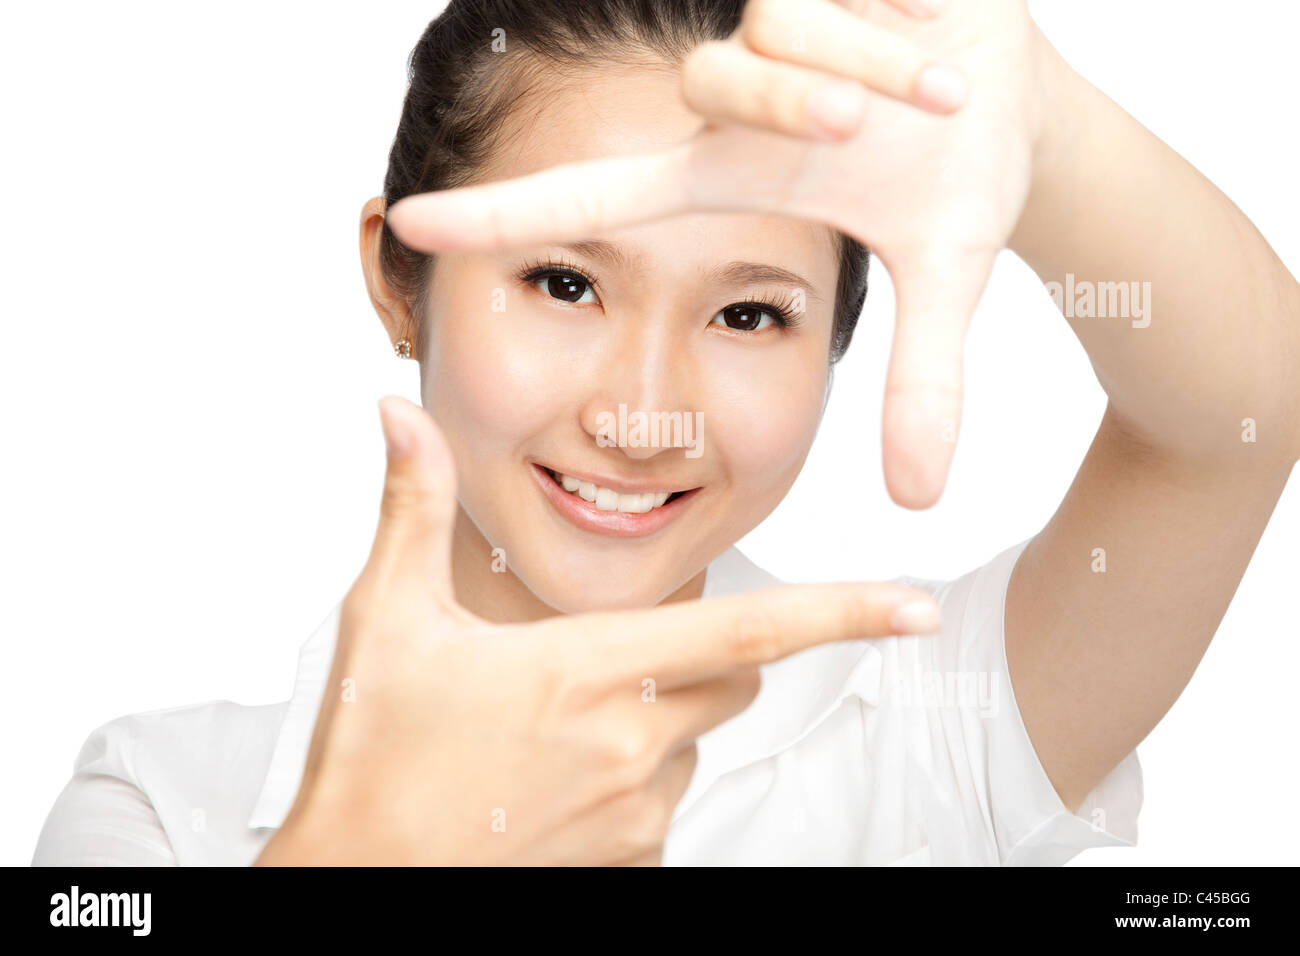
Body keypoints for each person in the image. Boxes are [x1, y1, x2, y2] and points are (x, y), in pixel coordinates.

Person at [32, 0, 1298, 866]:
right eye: (564, 282)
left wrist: (1055, 138)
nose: (642, 410)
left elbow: (1240, 418)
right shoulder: (153, 814)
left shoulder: (927, 726)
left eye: (749, 311)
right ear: (394, 275)